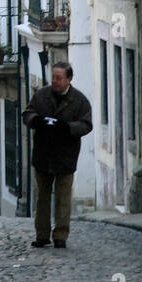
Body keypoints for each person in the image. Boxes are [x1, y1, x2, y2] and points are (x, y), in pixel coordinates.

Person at [22, 62, 92, 249]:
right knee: (42, 197)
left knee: (63, 197)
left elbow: (86, 124)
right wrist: (36, 120)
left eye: (59, 77)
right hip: (43, 154)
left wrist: (67, 128)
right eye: (53, 77)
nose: (55, 81)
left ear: (68, 79)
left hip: (65, 156)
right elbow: (27, 113)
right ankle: (42, 235)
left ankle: (61, 235)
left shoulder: (79, 101)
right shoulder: (41, 95)